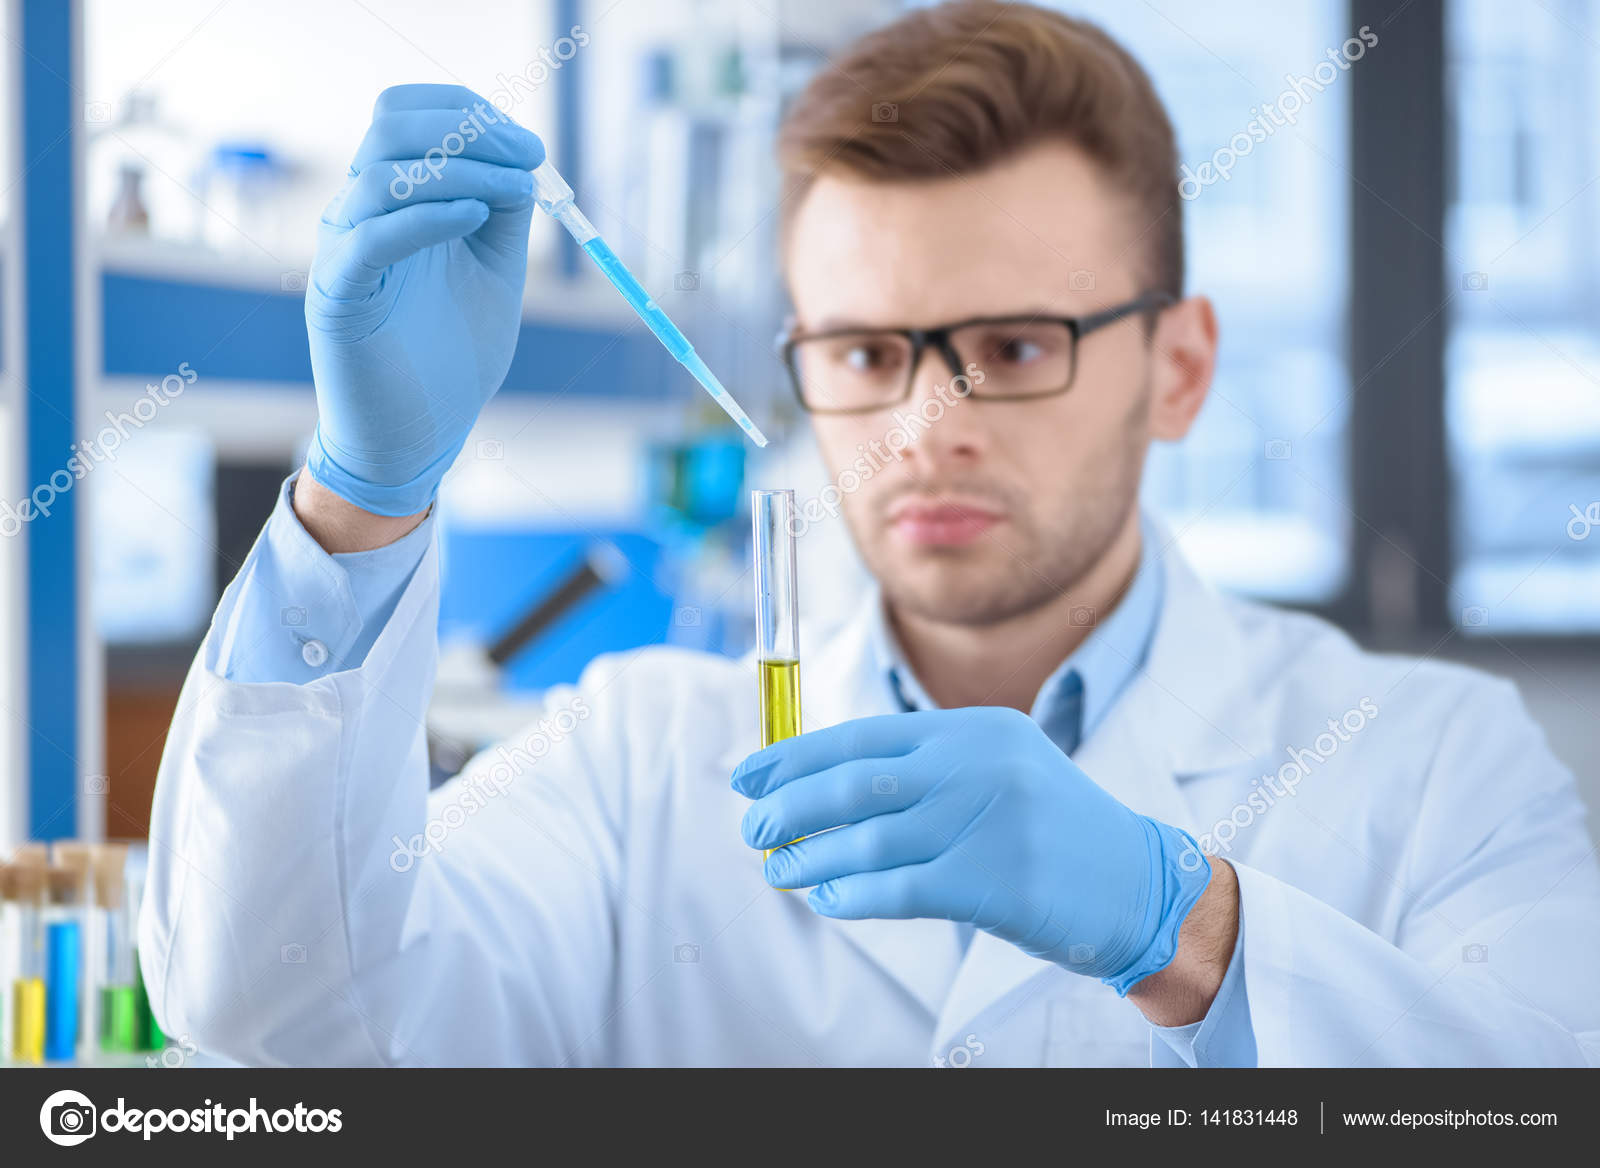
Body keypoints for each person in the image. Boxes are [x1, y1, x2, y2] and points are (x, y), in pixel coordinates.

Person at [140, 1, 1600, 1067]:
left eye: (1016, 348)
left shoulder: (1432, 765)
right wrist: (364, 493)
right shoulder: (631, 764)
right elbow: (283, 1022)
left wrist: (1191, 932)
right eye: (860, 352)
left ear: (1182, 367)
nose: (921, 427)